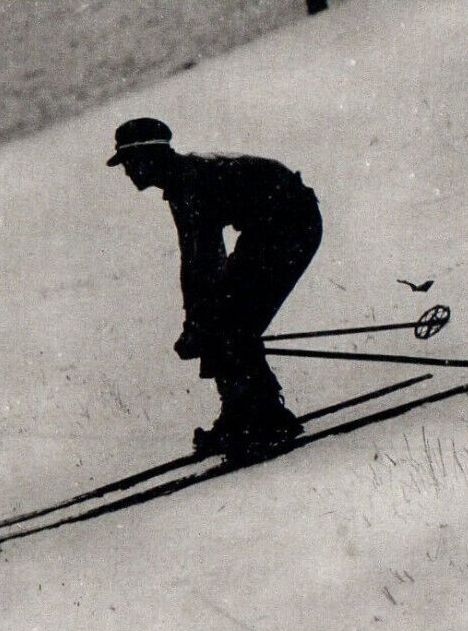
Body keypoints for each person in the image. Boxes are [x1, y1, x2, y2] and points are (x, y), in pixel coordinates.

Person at [106, 118, 323, 460]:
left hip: (293, 226)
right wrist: (195, 322)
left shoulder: (189, 186)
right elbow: (196, 261)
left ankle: (262, 418)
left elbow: (202, 261)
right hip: (270, 229)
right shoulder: (183, 181)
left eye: (130, 164)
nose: (128, 173)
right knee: (224, 319)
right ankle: (246, 415)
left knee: (230, 323)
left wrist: (196, 324)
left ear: (149, 158)